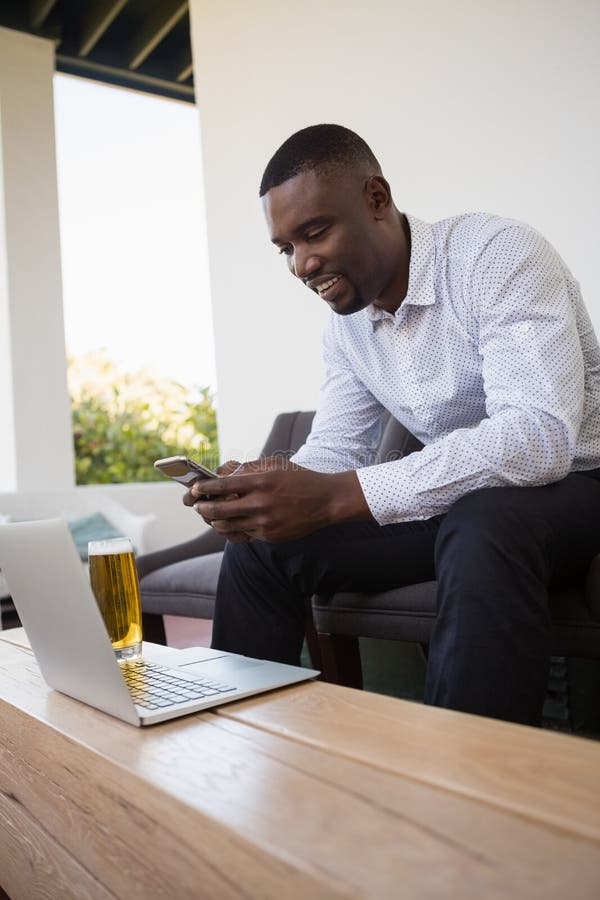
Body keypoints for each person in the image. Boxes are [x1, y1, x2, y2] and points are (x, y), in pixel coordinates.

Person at [184, 123, 600, 725]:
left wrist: (339, 496)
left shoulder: (496, 254)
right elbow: (336, 446)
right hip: (461, 507)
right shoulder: (347, 326)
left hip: (578, 489)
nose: (302, 264)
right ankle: (232, 751)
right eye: (286, 249)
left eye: (314, 232)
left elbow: (539, 437)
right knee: (263, 546)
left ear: (376, 199)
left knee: (483, 521)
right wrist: (266, 494)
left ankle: (464, 788)